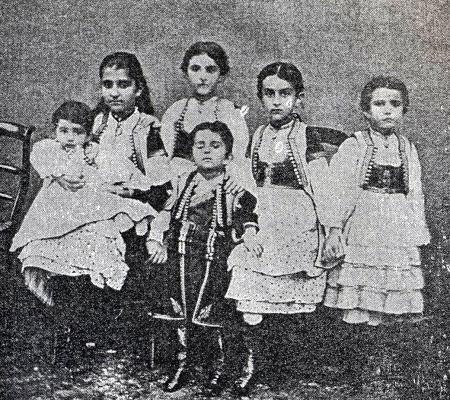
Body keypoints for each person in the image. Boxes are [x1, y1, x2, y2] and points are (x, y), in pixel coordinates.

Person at [225, 62, 346, 395]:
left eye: (285, 93)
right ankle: (255, 364)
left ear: (299, 98)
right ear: (261, 97)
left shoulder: (307, 137)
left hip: (299, 223)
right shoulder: (258, 136)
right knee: (249, 290)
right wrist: (248, 225)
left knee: (293, 297)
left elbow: (322, 185)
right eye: (269, 94)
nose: (277, 101)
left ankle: (287, 366)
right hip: (265, 219)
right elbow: (250, 187)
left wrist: (332, 229)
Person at [321, 75, 430, 392]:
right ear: (366, 111)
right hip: (364, 224)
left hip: (395, 227)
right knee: (359, 294)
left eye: (395, 104)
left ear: (404, 110)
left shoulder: (407, 148)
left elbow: (415, 193)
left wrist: (416, 232)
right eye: (379, 104)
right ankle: (353, 366)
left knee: (388, 292)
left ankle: (382, 365)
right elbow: (338, 191)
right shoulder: (354, 145)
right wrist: (334, 229)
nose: (387, 110)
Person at [144, 121, 259, 395]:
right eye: (200, 145)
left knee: (215, 311)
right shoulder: (182, 181)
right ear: (191, 152)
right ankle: (183, 362)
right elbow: (165, 212)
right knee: (179, 309)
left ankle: (222, 368)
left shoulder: (233, 186)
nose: (207, 151)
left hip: (215, 256)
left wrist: (249, 234)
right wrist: (155, 239)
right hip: (180, 253)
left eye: (215, 146)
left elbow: (247, 213)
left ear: (228, 156)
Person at [10, 101, 158, 306]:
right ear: (55, 132)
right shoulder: (51, 149)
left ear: (88, 135)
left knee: (101, 234)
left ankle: (85, 289)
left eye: (78, 132)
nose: (70, 138)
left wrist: (99, 165)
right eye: (64, 131)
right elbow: (38, 154)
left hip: (87, 205)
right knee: (42, 244)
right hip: (55, 207)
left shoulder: (94, 152)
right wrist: (58, 175)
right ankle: (47, 285)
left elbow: (126, 174)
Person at [160, 41, 251, 187]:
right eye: (195, 69)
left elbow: (237, 160)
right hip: (178, 184)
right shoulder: (176, 111)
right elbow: (165, 158)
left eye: (210, 70)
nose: (203, 76)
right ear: (186, 74)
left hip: (218, 184)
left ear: (221, 75)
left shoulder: (231, 112)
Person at [91, 51, 167, 189]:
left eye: (123, 85)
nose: (114, 93)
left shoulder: (147, 128)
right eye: (108, 85)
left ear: (138, 89)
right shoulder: (96, 123)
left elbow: (159, 185)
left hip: (133, 195)